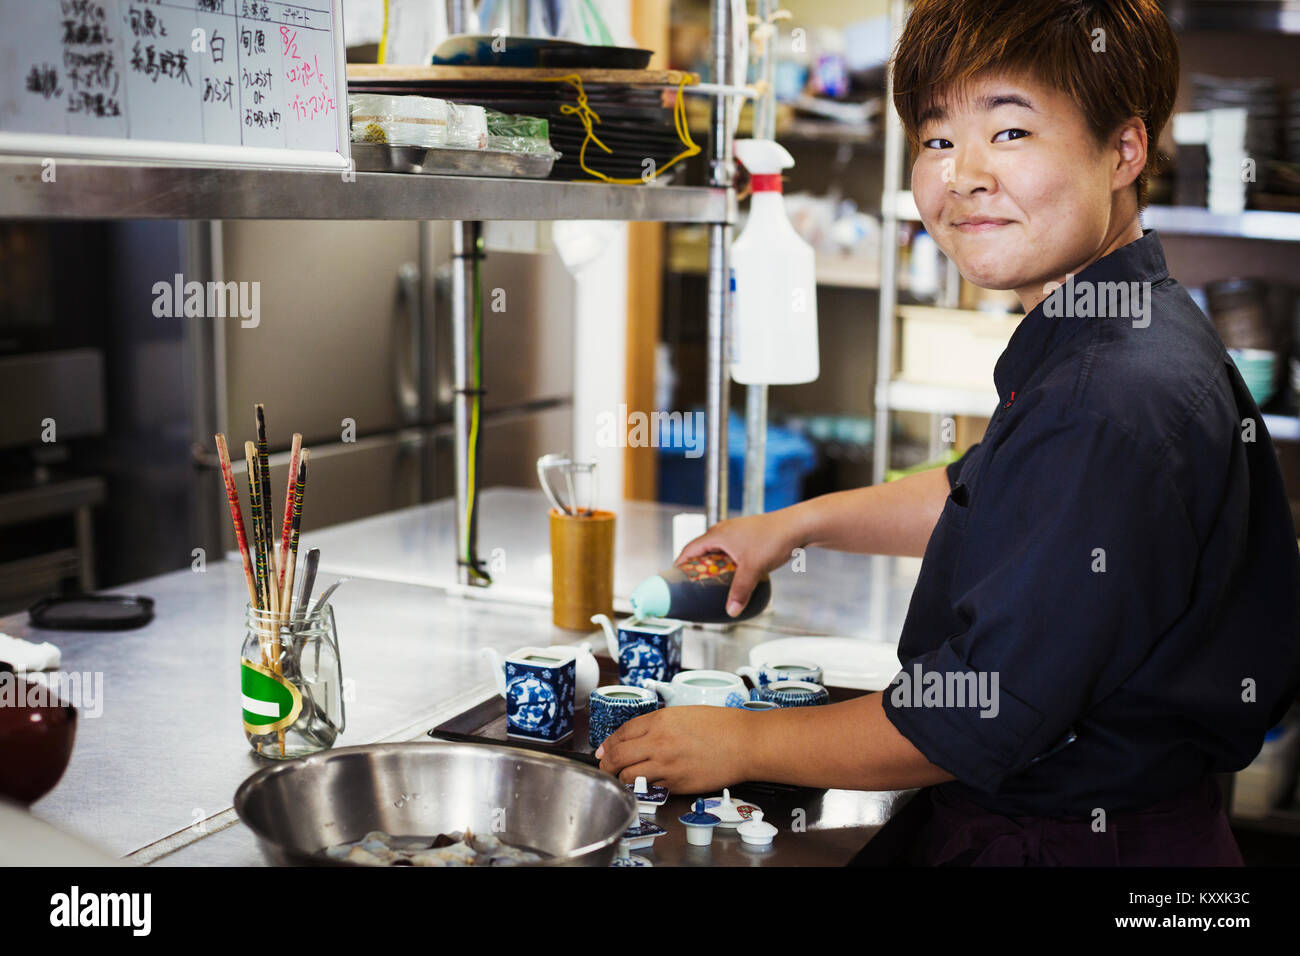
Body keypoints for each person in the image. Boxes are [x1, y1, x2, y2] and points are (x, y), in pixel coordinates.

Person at [596, 0, 1300, 865]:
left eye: (1009, 133)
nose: (962, 175)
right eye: (936, 139)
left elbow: (977, 708)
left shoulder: (1111, 396)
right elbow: (984, 490)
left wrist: (740, 743)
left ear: (1125, 149)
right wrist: (792, 524)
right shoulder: (1119, 322)